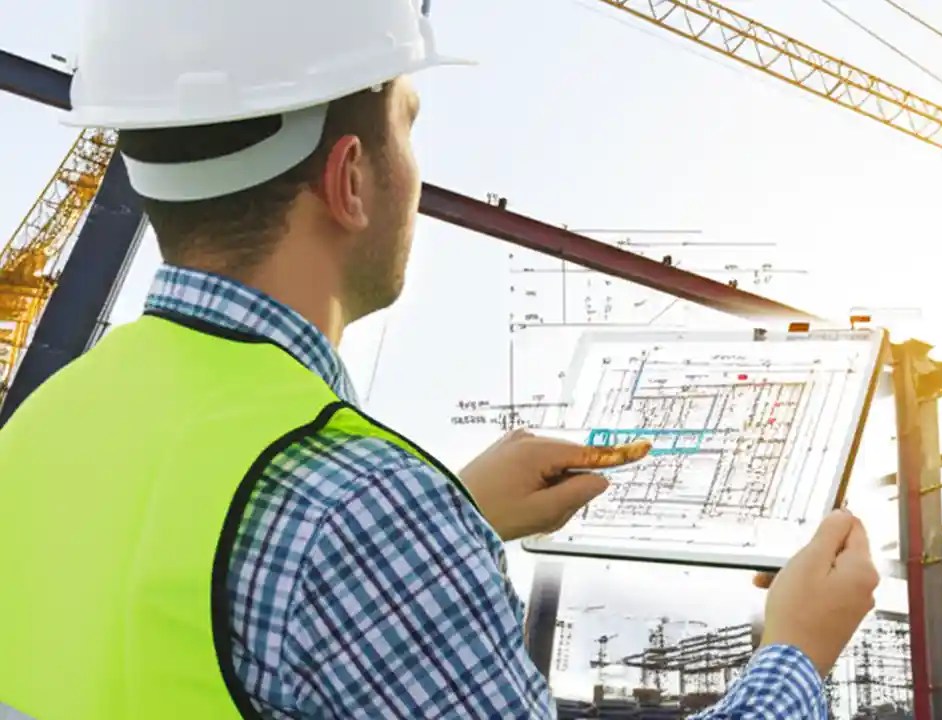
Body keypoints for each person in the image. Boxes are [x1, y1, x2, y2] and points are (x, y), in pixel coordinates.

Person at [0, 1, 880, 718]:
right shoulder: (362, 511)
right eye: (408, 127)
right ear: (350, 179)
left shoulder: (44, 423)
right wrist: (796, 650)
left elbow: (180, 603)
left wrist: (453, 516)